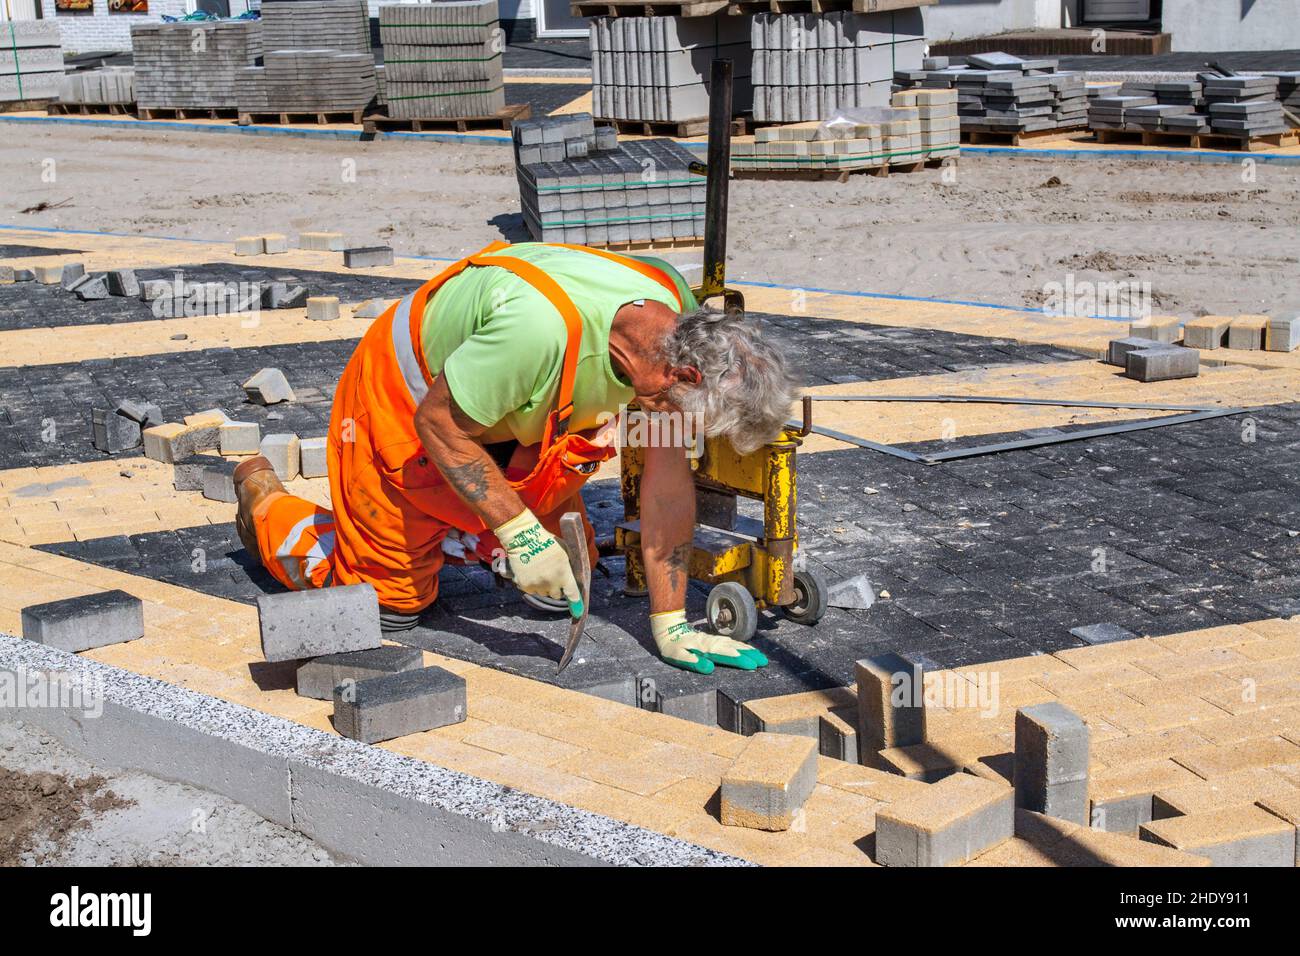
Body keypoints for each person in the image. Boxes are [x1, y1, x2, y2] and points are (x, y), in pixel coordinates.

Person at [233, 241, 798, 674]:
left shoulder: (674, 323)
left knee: (562, 591)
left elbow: (669, 486)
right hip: (411, 402)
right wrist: (523, 537)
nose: (674, 424)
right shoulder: (536, 331)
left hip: (514, 406)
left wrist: (671, 621)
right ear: (684, 375)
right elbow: (439, 424)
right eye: (686, 413)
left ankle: (467, 535)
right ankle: (266, 503)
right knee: (391, 606)